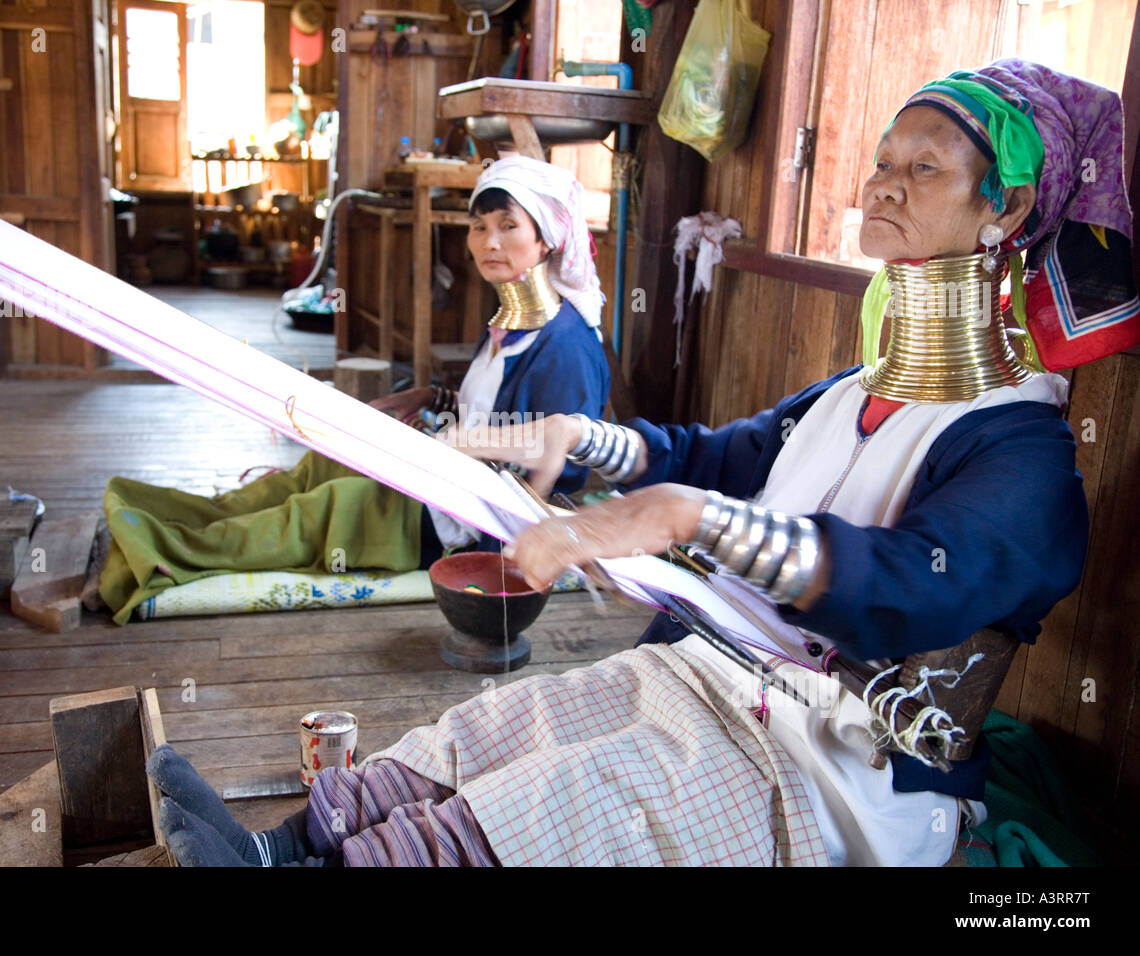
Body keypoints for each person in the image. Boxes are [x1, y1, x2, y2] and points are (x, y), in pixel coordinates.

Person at [146, 60, 1138, 866]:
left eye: (923, 169)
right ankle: (277, 850)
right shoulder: (849, 393)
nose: (881, 180)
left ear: (1001, 214)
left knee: (575, 793)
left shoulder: (1022, 449)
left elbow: (915, 588)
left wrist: (687, 518)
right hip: (722, 675)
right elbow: (722, 451)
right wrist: (586, 442)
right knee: (508, 719)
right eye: (881, 160)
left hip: (849, 772)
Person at [99, 156, 610, 623]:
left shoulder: (565, 345)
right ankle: (158, 517)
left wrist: (453, 455)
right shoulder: (510, 320)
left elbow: (559, 467)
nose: (489, 241)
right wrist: (427, 398)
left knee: (318, 512)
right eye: (479, 227)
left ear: (547, 238)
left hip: (460, 521)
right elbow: (488, 413)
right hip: (435, 473)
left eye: (508, 226)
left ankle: (160, 553)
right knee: (322, 464)